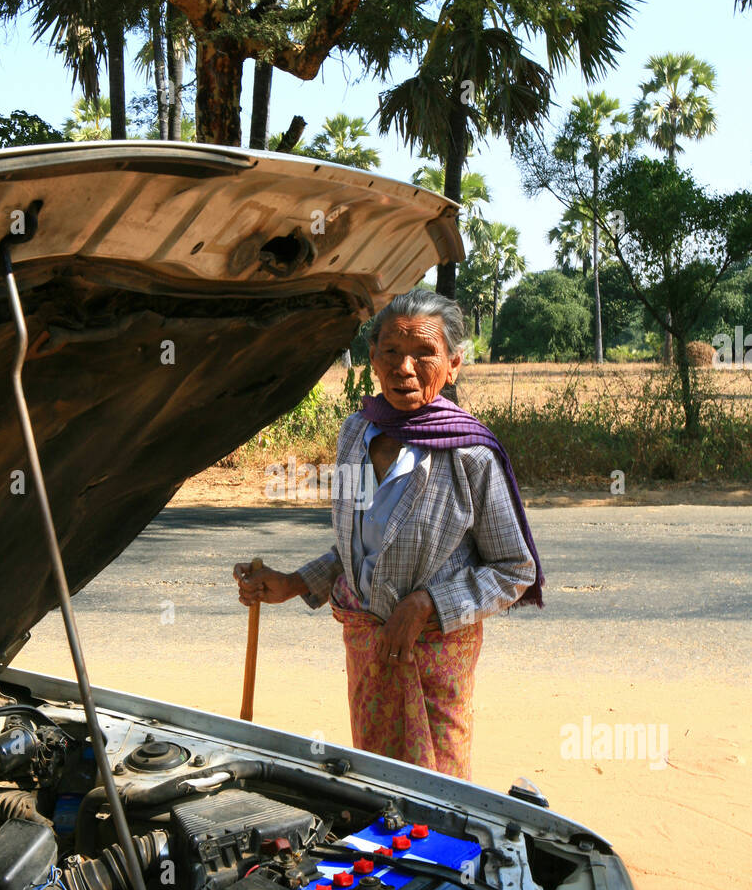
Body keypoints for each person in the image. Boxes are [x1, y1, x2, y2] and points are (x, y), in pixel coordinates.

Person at [233, 288, 544, 778]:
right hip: (370, 646)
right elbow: (358, 546)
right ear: (372, 361)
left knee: (437, 788)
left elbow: (514, 570)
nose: (405, 367)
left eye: (425, 353)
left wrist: (427, 605)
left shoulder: (471, 456)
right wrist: (294, 583)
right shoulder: (356, 434)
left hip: (435, 652)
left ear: (454, 364)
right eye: (391, 352)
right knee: (373, 780)